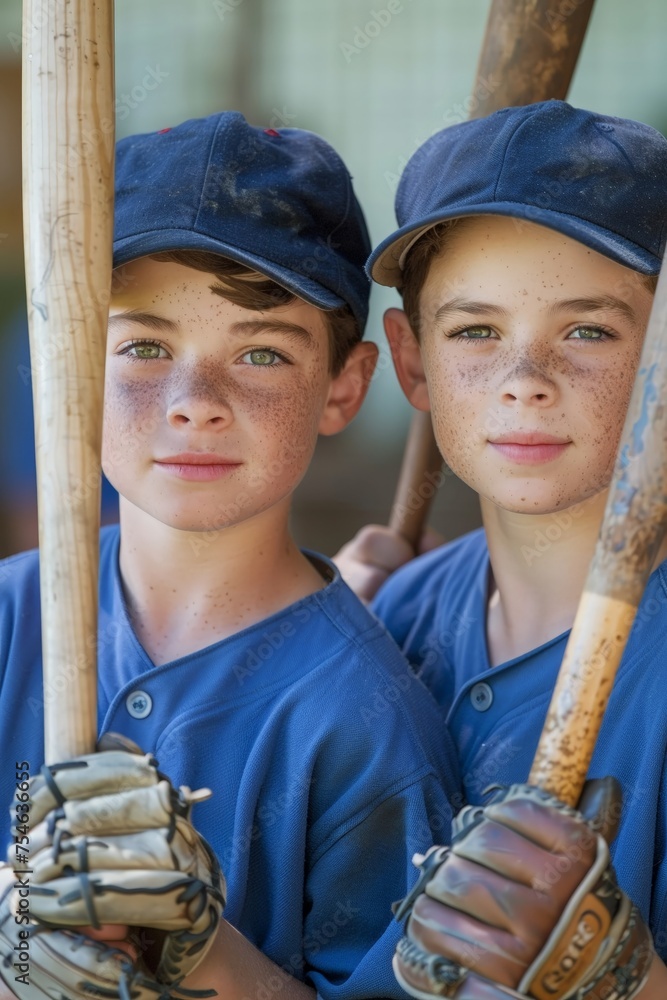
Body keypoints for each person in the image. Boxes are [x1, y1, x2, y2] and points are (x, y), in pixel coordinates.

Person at [0, 111, 461, 1000]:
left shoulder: (366, 726)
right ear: (68, 364)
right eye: (141, 347)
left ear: (344, 386)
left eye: (258, 353)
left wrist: (199, 950)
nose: (193, 401)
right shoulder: (12, 619)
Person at [336, 101, 667, 994]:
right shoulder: (386, 623)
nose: (524, 383)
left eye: (588, 330)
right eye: (474, 332)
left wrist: (625, 979)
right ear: (410, 361)